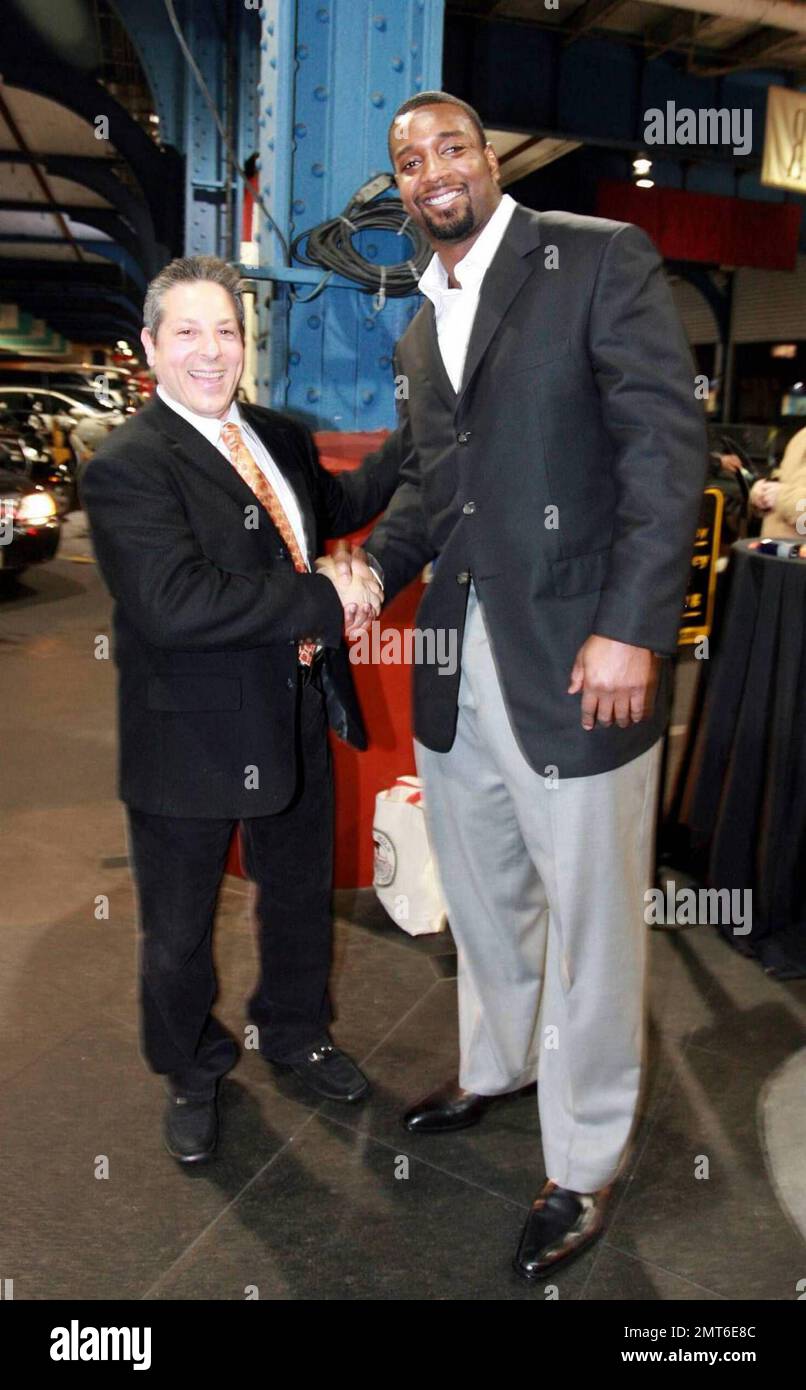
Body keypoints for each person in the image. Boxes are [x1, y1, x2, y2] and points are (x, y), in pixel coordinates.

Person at [349, 91, 708, 1278]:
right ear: (399, 187)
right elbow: (427, 494)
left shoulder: (594, 261)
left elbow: (663, 447)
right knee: (488, 893)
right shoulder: (418, 325)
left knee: (593, 925)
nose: (432, 170)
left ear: (487, 160)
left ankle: (586, 1159)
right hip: (457, 664)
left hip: (578, 663)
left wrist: (630, 628)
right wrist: (366, 572)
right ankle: (499, 1062)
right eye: (409, 159)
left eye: (449, 146)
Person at [82, 255, 399, 1165]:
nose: (211, 351)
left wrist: (428, 435)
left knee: (297, 897)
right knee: (178, 930)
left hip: (292, 711)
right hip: (187, 734)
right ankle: (189, 1066)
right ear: (150, 347)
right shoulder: (129, 467)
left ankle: (295, 1031)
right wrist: (324, 600)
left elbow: (334, 505)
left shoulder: (276, 436)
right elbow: (175, 603)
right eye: (187, 331)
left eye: (227, 330)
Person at [750, 425, 806, 540]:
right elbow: (783, 477)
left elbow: (782, 495)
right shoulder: (801, 436)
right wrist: (762, 492)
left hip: (796, 553)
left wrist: (781, 497)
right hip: (778, 550)